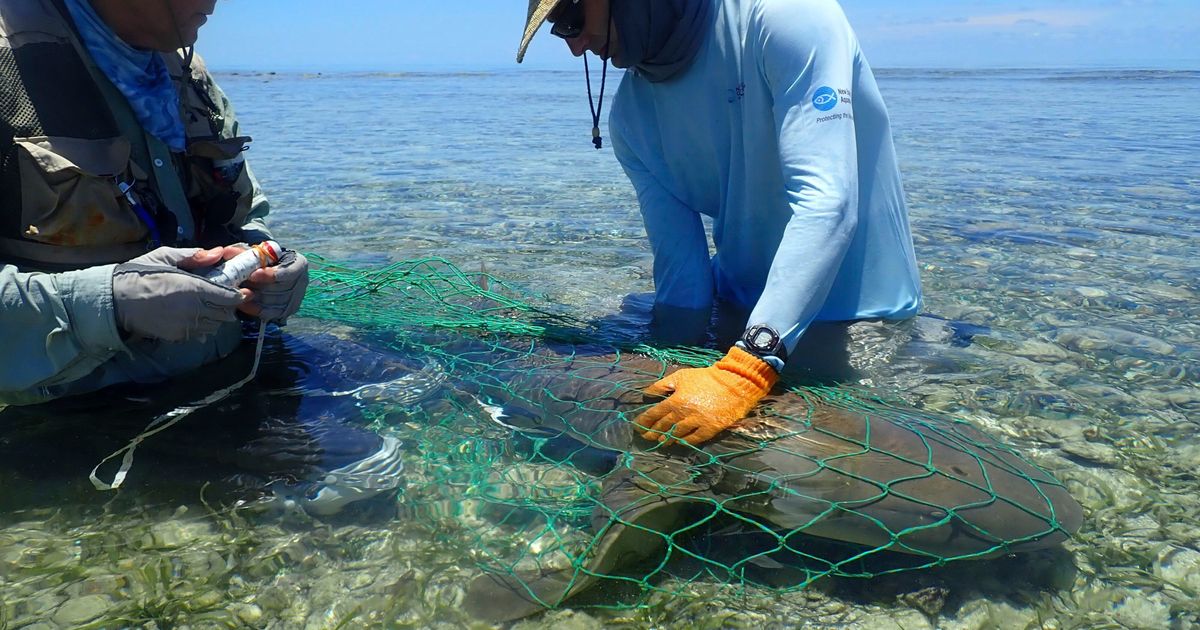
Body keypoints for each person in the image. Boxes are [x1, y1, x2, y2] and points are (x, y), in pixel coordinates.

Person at [517, 0, 922, 446]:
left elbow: (828, 203)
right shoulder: (630, 120)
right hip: (733, 316)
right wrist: (670, 360)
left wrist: (746, 369)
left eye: (571, 20)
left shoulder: (785, 15)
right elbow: (683, 284)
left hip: (862, 324)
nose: (576, 46)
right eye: (560, 30)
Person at [0, 0, 308, 406]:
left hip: (230, 377)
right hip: (73, 417)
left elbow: (245, 211)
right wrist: (110, 304)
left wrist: (269, 260)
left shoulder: (188, 72)